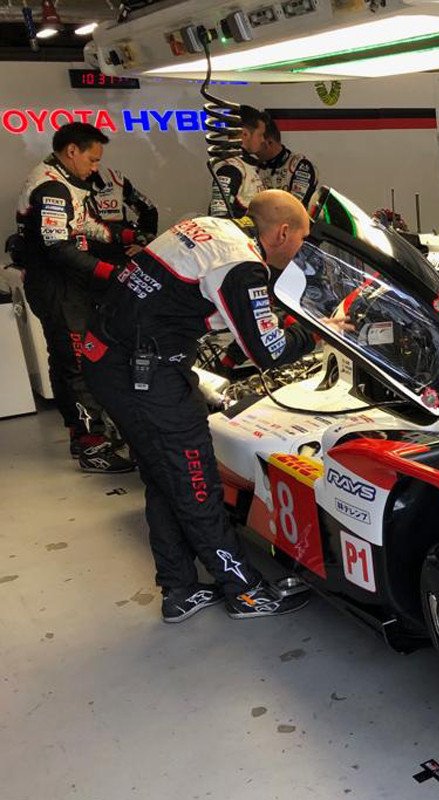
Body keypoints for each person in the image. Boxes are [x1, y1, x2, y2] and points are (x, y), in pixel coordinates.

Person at [82, 190, 316, 623]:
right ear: (283, 232)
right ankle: (244, 591)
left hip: (113, 359)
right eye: (302, 239)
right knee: (196, 482)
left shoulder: (210, 228)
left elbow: (193, 305)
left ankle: (179, 590)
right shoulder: (242, 264)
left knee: (163, 476)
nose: (302, 249)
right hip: (144, 374)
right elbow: (268, 350)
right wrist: (317, 333)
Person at [14, 122, 134, 472]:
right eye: (93, 160)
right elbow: (57, 246)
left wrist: (122, 234)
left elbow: (81, 224)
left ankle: (82, 435)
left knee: (69, 359)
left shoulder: (63, 180)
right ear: (72, 152)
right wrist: (109, 272)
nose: (96, 168)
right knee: (77, 364)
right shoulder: (51, 187)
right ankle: (91, 446)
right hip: (57, 286)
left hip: (65, 285)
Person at [208, 104, 268, 218]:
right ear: (245, 134)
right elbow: (219, 215)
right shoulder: (231, 167)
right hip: (238, 235)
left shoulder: (245, 164)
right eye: (260, 135)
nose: (263, 140)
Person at [90, 166, 159, 251]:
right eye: (91, 160)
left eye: (96, 160)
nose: (94, 166)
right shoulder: (70, 188)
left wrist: (142, 241)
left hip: (121, 247)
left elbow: (148, 210)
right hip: (86, 252)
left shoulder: (113, 178)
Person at [257, 118, 320, 207]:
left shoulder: (301, 166)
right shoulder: (253, 164)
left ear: (269, 143)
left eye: (257, 141)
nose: (253, 148)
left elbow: (295, 209)